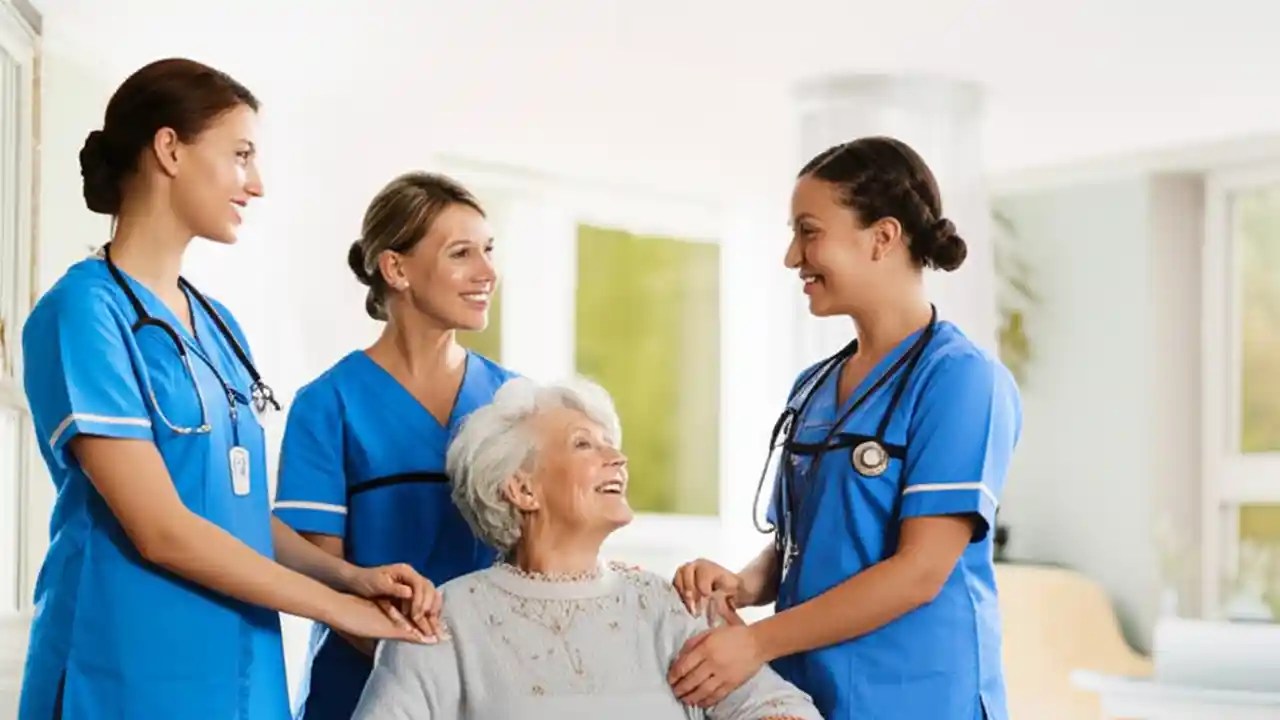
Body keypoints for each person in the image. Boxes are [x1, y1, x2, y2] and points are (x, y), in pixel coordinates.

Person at [17, 58, 439, 720]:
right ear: (169, 150)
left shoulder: (217, 324)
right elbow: (161, 529)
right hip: (127, 671)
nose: (257, 184)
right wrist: (338, 609)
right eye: (241, 155)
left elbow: (231, 513)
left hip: (241, 673)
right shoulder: (84, 313)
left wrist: (348, 575)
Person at [670, 136, 1022, 720]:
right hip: (810, 697)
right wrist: (742, 585)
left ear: (882, 237)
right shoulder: (812, 387)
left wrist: (755, 642)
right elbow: (802, 546)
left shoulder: (962, 381)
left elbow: (919, 572)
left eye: (809, 232)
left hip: (920, 700)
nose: (792, 257)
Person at [350, 376, 822, 720]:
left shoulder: (672, 605)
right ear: (521, 489)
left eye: (611, 445)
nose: (617, 458)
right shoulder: (446, 620)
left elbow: (781, 708)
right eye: (584, 445)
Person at [273, 171, 518, 718]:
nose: (487, 272)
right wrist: (422, 666)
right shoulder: (329, 403)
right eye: (462, 253)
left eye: (489, 250)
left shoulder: (516, 402)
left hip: (494, 686)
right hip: (360, 689)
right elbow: (316, 573)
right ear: (396, 268)